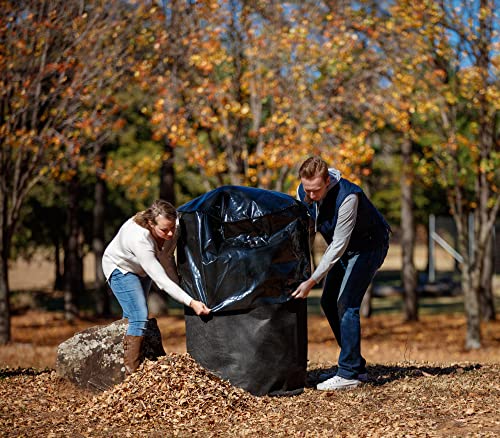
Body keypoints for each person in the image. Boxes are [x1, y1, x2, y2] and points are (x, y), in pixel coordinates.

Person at [291, 156, 390, 390]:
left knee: (347, 303)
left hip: (368, 247)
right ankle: (355, 365)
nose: (311, 196)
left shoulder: (348, 197)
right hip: (345, 249)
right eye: (307, 190)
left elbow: (338, 245)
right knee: (328, 301)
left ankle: (348, 374)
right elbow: (308, 229)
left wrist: (314, 279)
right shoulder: (304, 192)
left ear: (327, 181)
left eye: (316, 190)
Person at [102, 199, 210, 374]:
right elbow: (161, 281)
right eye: (164, 230)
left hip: (143, 268)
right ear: (151, 223)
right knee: (139, 315)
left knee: (132, 316)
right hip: (121, 268)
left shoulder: (172, 226)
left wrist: (183, 291)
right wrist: (191, 302)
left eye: (172, 228)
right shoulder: (140, 239)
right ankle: (132, 373)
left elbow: (166, 259)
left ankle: (126, 359)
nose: (169, 234)